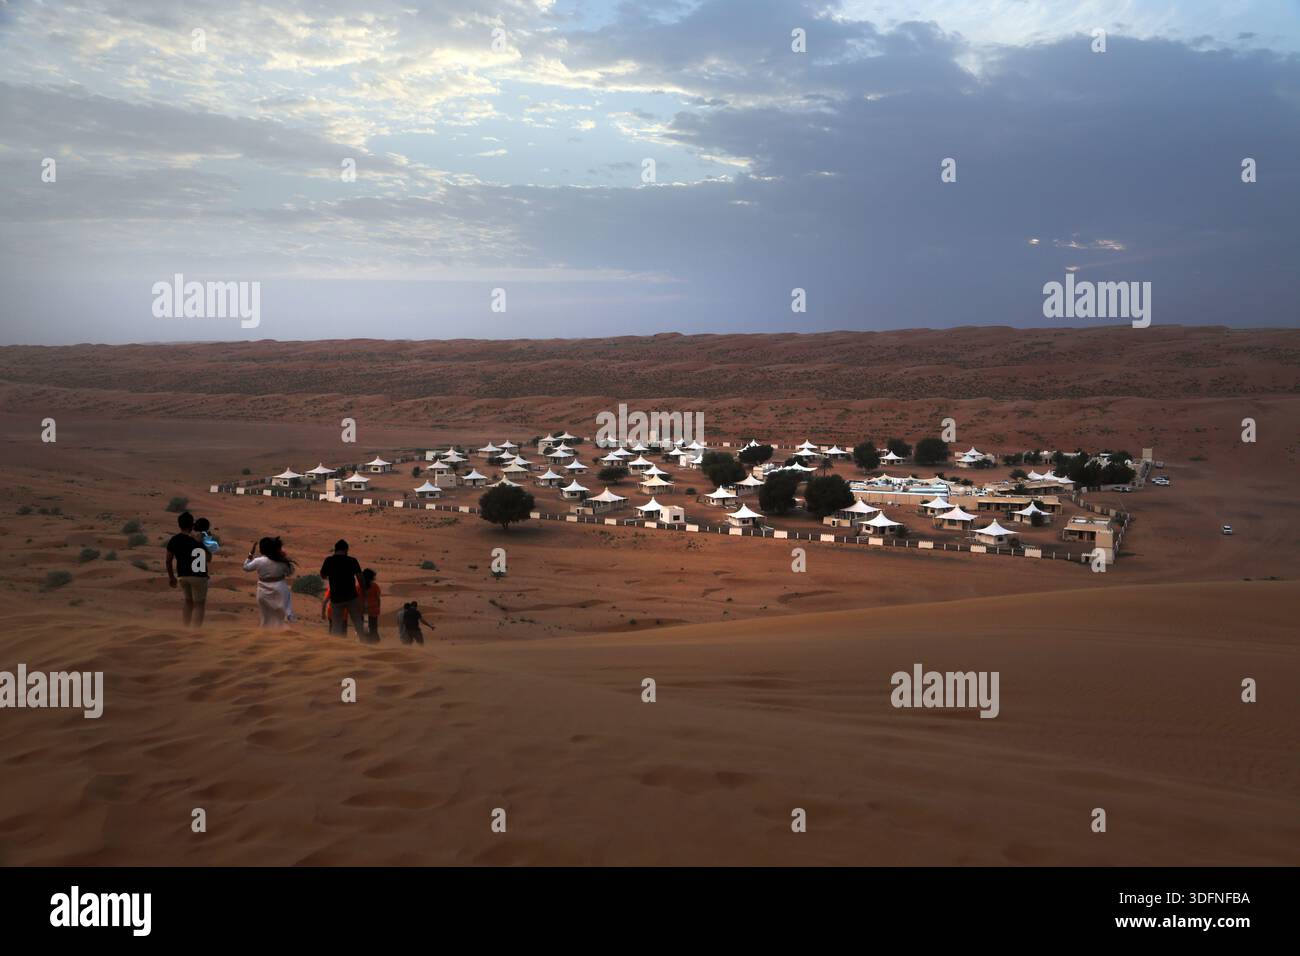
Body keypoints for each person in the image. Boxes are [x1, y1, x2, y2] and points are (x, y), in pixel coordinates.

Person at [165, 511, 208, 627]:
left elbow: (168, 561)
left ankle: (185, 630)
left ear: (179, 525)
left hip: (182, 576)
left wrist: (171, 577)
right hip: (199, 576)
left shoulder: (174, 540)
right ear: (192, 525)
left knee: (188, 603)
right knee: (199, 605)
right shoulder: (198, 540)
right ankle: (195, 633)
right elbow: (208, 558)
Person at [243, 536, 295, 628]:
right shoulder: (281, 561)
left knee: (266, 618)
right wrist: (284, 557)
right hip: (280, 589)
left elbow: (246, 567)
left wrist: (251, 553)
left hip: (262, 591)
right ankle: (289, 619)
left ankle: (266, 636)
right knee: (281, 617)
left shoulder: (259, 561)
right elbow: (290, 572)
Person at [320, 539, 366, 639]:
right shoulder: (352, 560)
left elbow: (323, 575)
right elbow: (360, 577)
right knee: (358, 623)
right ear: (346, 550)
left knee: (336, 626)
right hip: (351, 597)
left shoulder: (329, 561)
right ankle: (364, 643)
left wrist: (332, 576)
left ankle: (336, 649)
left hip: (336, 598)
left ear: (335, 549)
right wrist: (363, 590)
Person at [361, 569, 382, 642]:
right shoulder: (375, 586)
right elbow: (378, 598)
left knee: (365, 629)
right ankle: (374, 644)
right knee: (373, 629)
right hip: (373, 611)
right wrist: (378, 608)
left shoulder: (359, 586)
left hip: (364, 612)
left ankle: (367, 644)